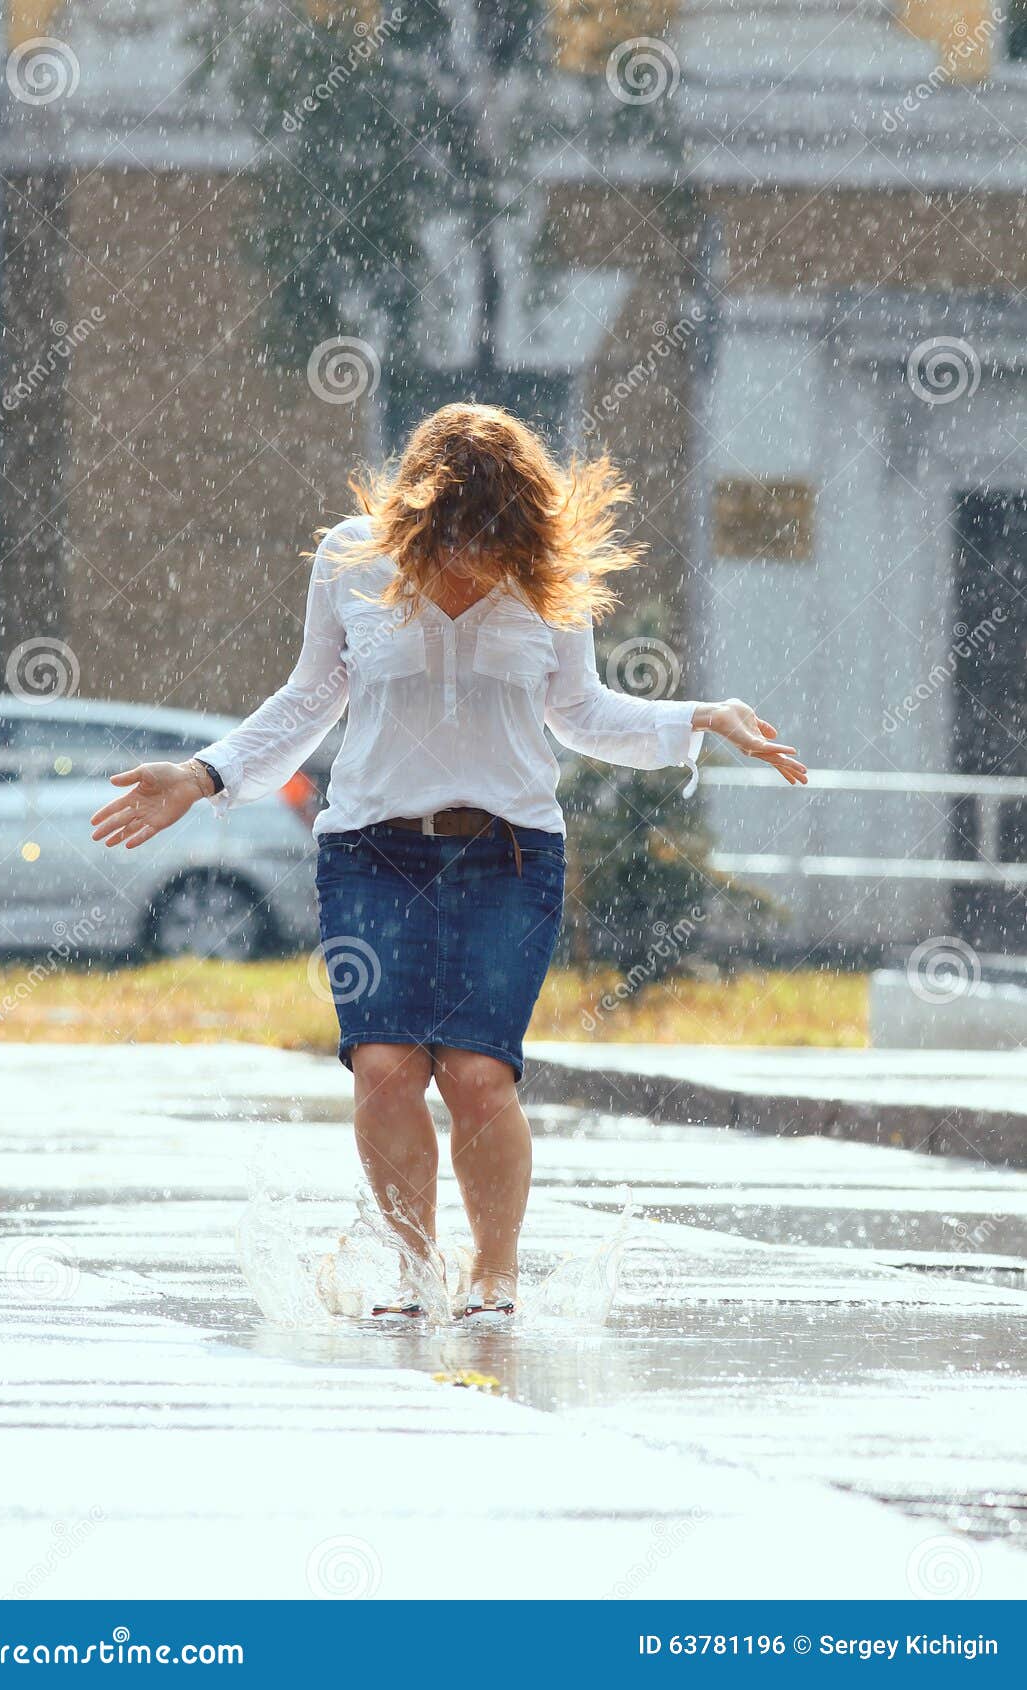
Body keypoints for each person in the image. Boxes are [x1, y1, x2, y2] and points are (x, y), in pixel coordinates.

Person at [91, 403, 806, 1321]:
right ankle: (410, 1270)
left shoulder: (545, 575)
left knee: (476, 1073)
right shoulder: (353, 559)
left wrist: (701, 718)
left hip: (508, 857)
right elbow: (310, 696)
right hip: (368, 854)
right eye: (453, 534)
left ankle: (493, 1276)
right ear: (419, 514)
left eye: (490, 535)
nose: (469, 559)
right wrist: (203, 774)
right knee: (386, 1066)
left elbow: (582, 713)